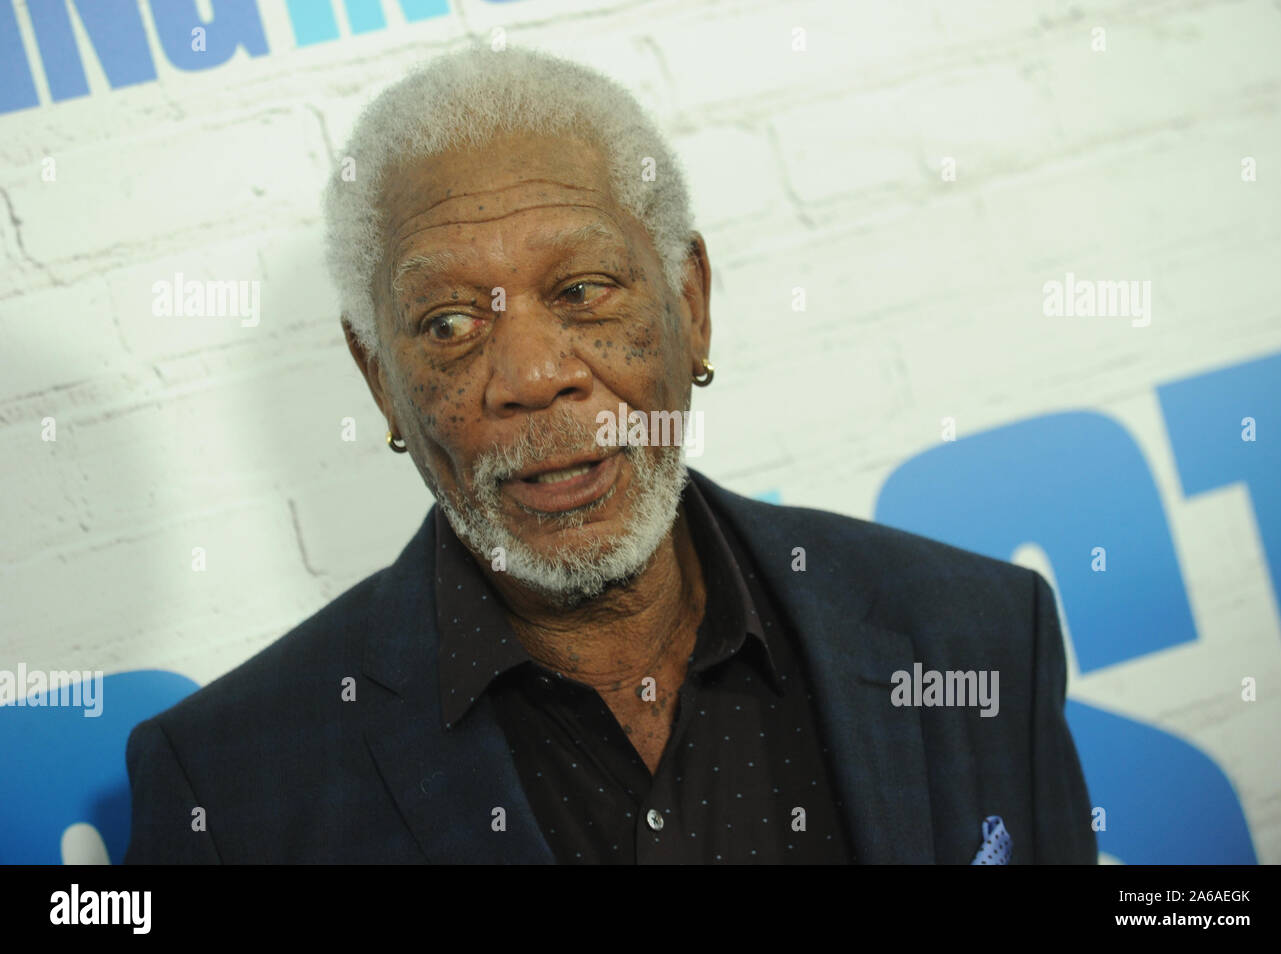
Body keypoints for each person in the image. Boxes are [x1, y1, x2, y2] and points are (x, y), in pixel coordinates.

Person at [124, 44, 1096, 864]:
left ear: (692, 306)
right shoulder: (231, 790)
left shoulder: (972, 632)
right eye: (450, 321)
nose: (535, 376)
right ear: (381, 381)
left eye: (584, 290)